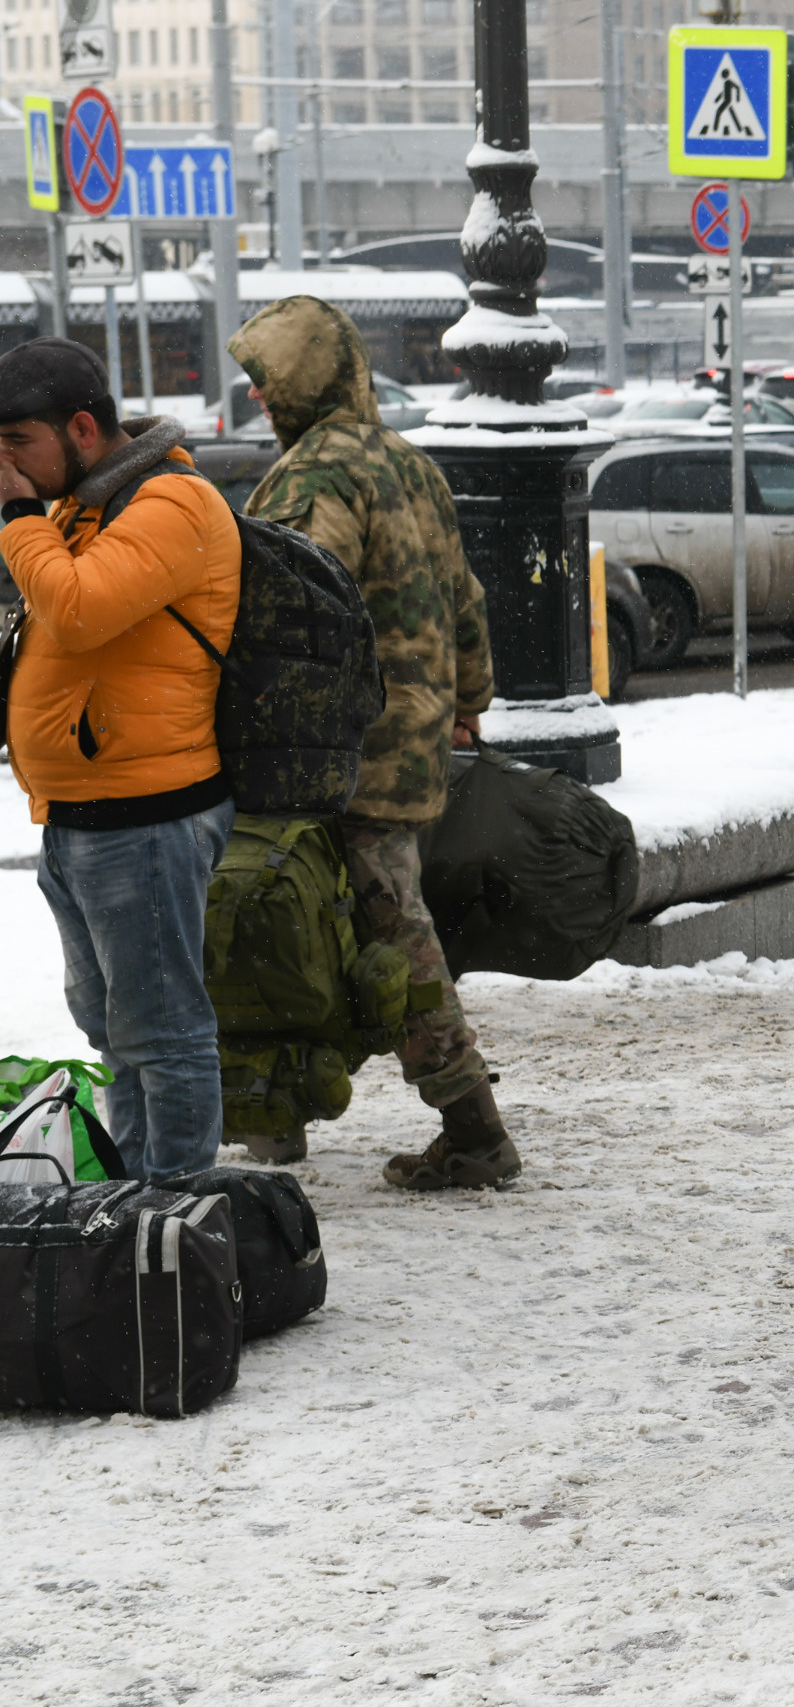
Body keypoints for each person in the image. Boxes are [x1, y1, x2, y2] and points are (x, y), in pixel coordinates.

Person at [230, 296, 508, 1187]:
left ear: (304, 383)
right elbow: (465, 596)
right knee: (343, 926)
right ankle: (279, 1121)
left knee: (355, 932)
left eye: (267, 383)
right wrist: (470, 700)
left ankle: (475, 1133)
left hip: (338, 753)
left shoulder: (315, 476)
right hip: (412, 740)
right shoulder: (408, 462)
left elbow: (296, 602)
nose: (260, 401)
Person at [0, 339, 242, 1185]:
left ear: (81, 428)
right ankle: (136, 1201)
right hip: (82, 817)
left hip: (149, 815)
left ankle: (176, 1214)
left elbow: (75, 610)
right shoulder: (81, 503)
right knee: (113, 1029)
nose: (6, 467)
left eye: (15, 444)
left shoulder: (172, 503)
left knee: (164, 1033)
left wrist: (20, 520)